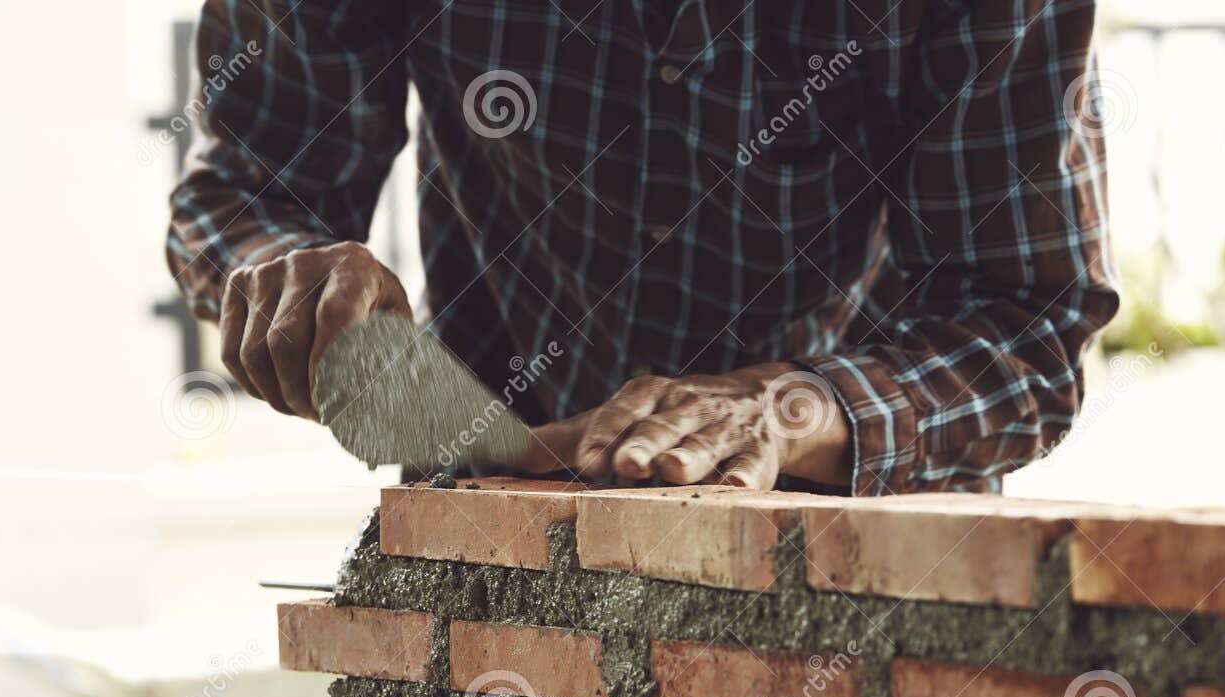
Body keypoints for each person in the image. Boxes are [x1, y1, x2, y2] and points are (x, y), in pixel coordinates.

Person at [167, 1, 1116, 494]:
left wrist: (789, 411)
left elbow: (1023, 326)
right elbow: (256, 188)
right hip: (494, 533)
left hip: (843, 542)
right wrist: (285, 275)